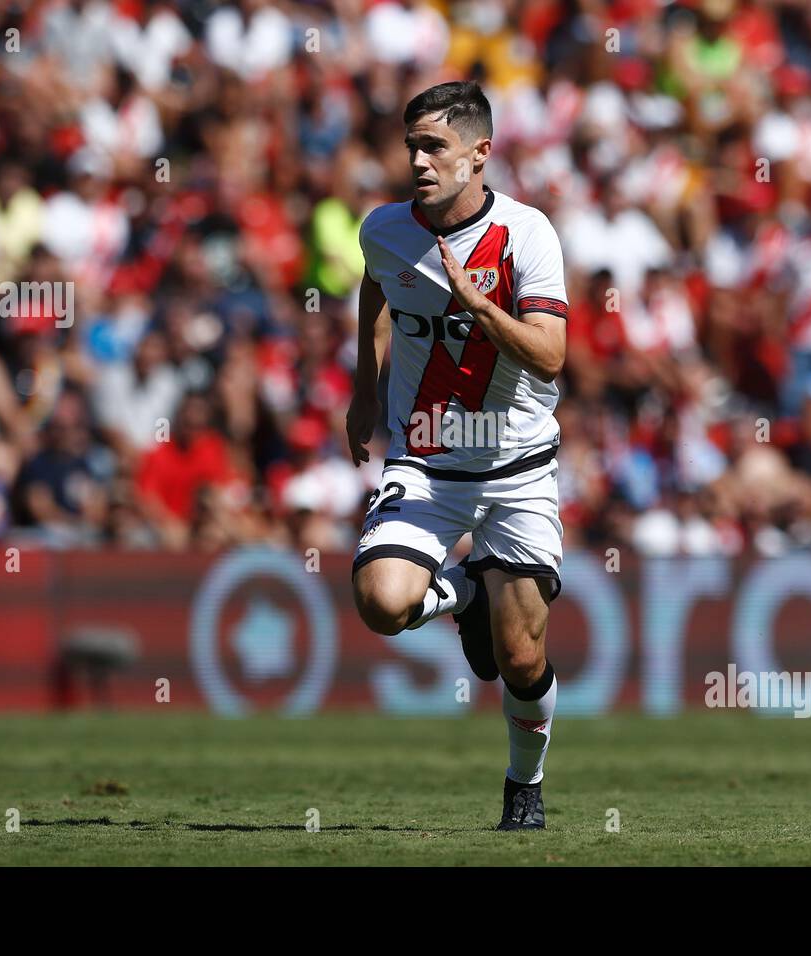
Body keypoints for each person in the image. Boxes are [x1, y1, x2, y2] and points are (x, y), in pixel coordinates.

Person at [346, 81, 567, 830]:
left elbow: (551, 356)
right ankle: (463, 595)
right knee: (381, 602)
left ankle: (524, 784)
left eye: (434, 146)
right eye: (411, 145)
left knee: (522, 661)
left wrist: (480, 307)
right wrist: (364, 392)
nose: (418, 160)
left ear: (480, 154)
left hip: (519, 470)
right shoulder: (382, 229)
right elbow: (376, 294)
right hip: (428, 460)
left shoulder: (529, 235)